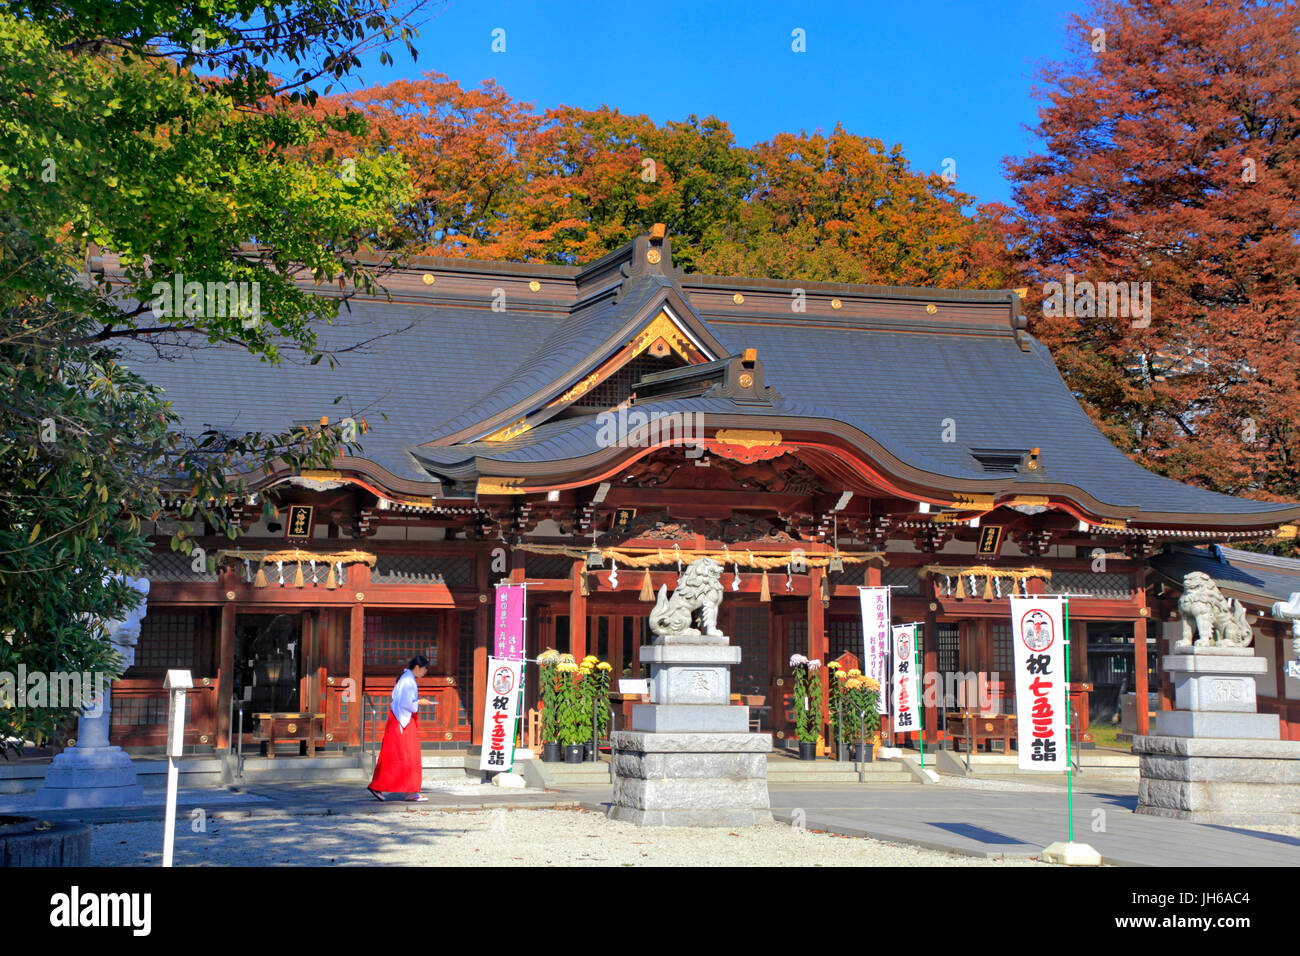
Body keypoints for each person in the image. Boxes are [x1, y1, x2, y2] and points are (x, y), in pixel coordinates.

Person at [368, 655, 433, 802]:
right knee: (407, 756)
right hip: (402, 722)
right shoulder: (407, 680)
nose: (425, 672)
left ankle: (401, 789)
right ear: (417, 667)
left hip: (400, 721)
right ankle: (408, 790)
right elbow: (406, 703)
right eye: (424, 669)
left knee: (396, 756)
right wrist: (419, 702)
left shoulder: (407, 678)